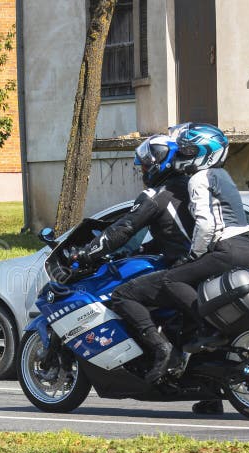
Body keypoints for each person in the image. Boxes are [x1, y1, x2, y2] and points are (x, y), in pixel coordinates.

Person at [157, 123, 249, 413]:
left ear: (204, 153)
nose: (182, 155)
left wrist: (193, 255)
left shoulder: (199, 178)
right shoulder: (224, 175)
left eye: (187, 151)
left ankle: (208, 327)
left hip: (227, 247)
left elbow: (207, 224)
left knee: (172, 280)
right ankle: (212, 391)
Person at [73, 134, 195, 383]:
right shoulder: (189, 188)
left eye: (146, 166)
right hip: (204, 261)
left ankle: (161, 348)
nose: (143, 172)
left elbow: (124, 228)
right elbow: (172, 234)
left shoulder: (157, 196)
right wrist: (137, 251)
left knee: (122, 295)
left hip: (184, 266)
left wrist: (88, 251)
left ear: (159, 164)